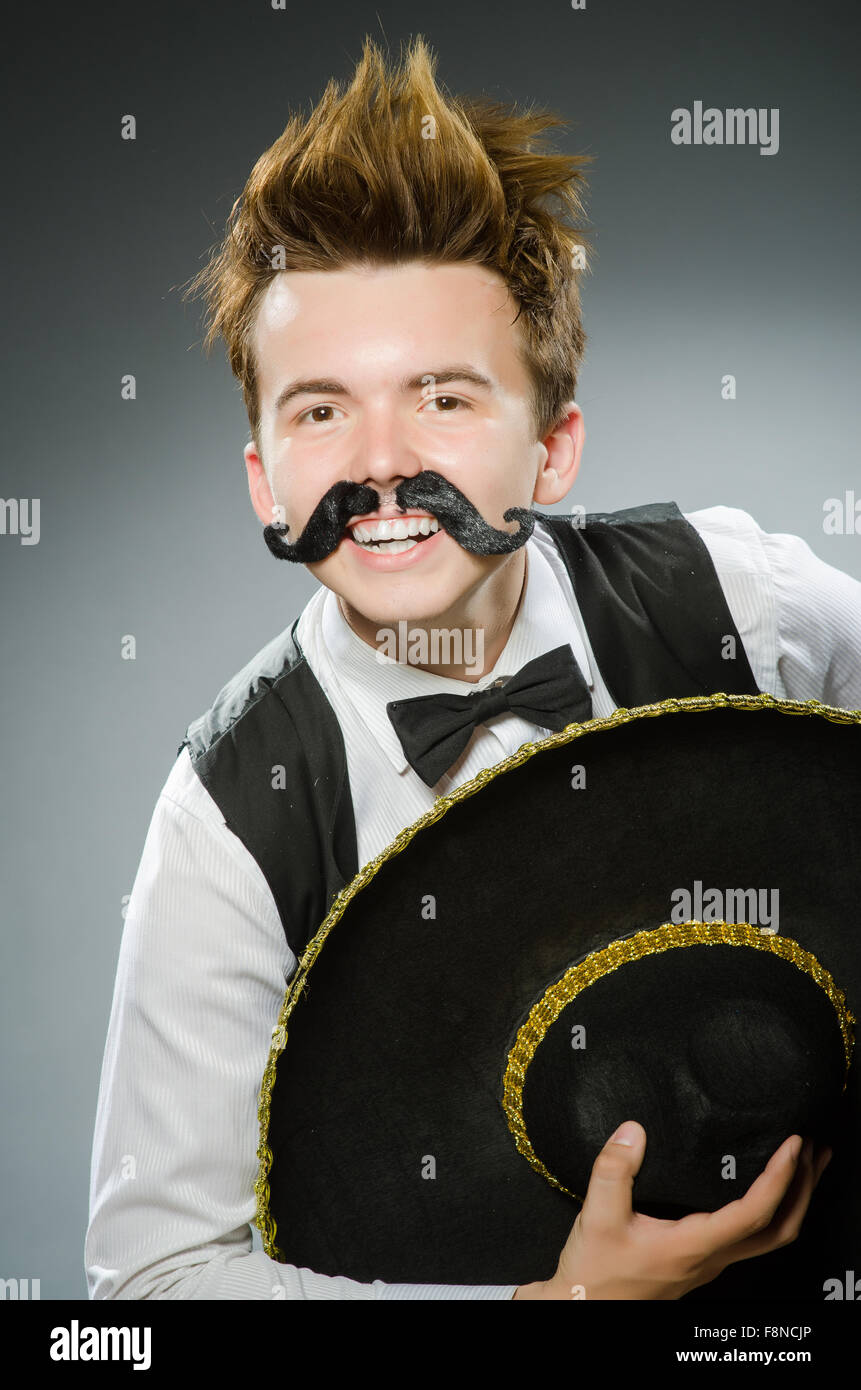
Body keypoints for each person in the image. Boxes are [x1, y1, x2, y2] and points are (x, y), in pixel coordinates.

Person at [85, 35, 861, 1301]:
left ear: (552, 448)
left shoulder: (733, 597)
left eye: (443, 398)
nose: (380, 464)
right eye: (320, 409)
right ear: (262, 476)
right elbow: (149, 1288)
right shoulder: (230, 819)